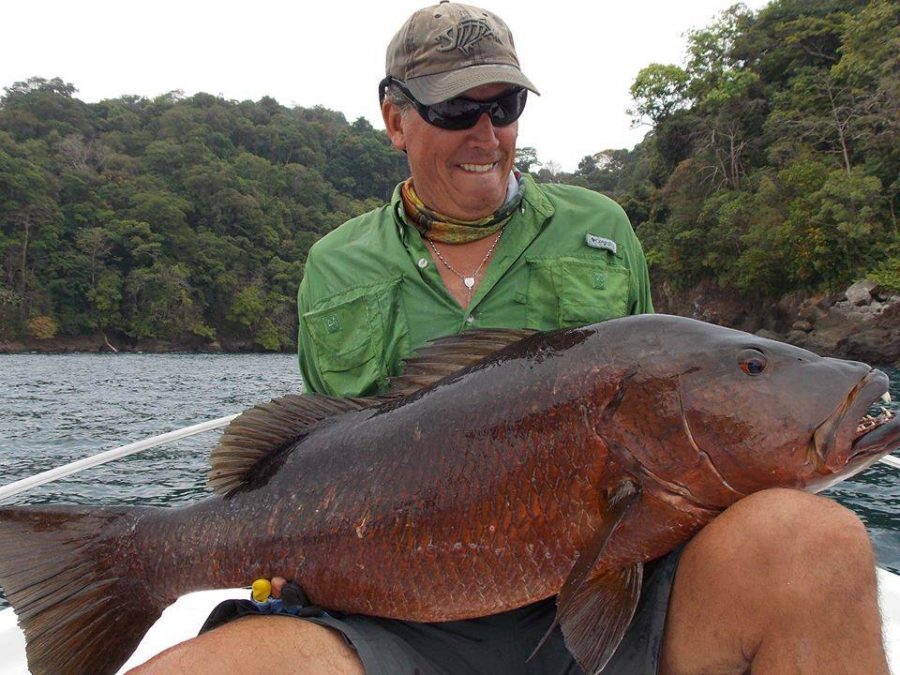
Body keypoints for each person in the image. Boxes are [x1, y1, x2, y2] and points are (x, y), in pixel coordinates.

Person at [132, 3, 888, 673]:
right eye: (456, 109)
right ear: (395, 120)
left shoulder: (601, 228)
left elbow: (673, 404)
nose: (486, 132)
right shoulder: (335, 266)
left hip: (614, 592)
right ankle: (129, 562)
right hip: (398, 620)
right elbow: (325, 447)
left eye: (505, 104)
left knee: (819, 543)